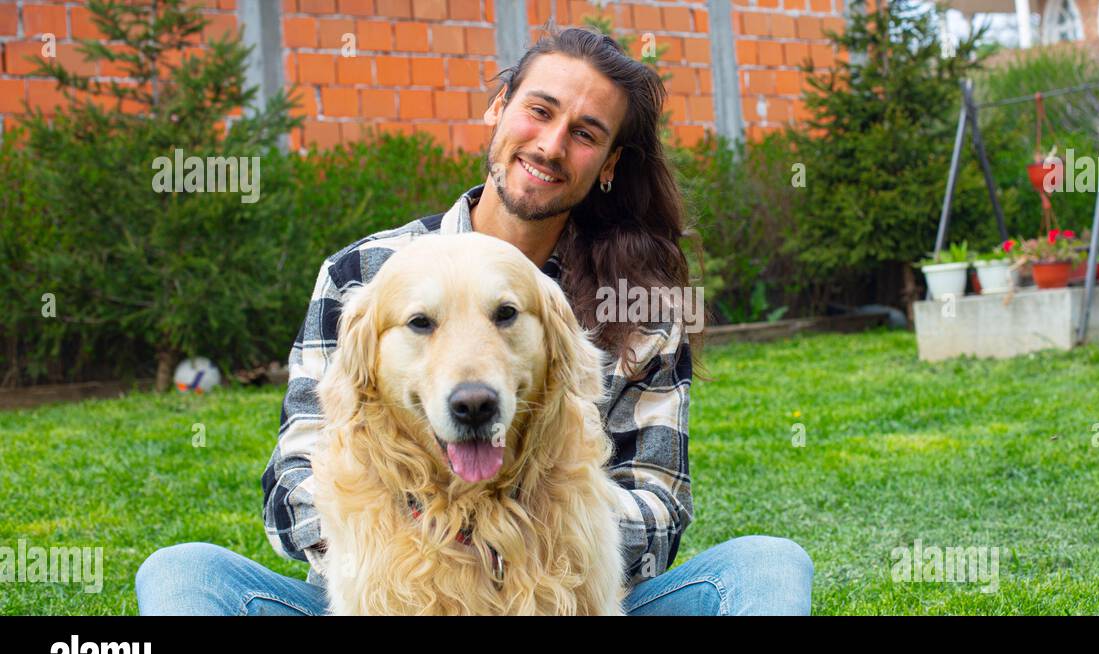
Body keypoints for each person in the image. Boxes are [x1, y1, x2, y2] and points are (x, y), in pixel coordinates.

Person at [135, 25, 813, 616]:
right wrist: (426, 534)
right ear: (498, 108)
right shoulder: (361, 273)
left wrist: (529, 521)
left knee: (767, 565)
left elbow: (658, 509)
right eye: (538, 111)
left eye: (584, 134)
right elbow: (291, 490)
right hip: (381, 589)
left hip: (570, 590)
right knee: (183, 573)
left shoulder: (637, 306)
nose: (549, 144)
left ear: (608, 165)